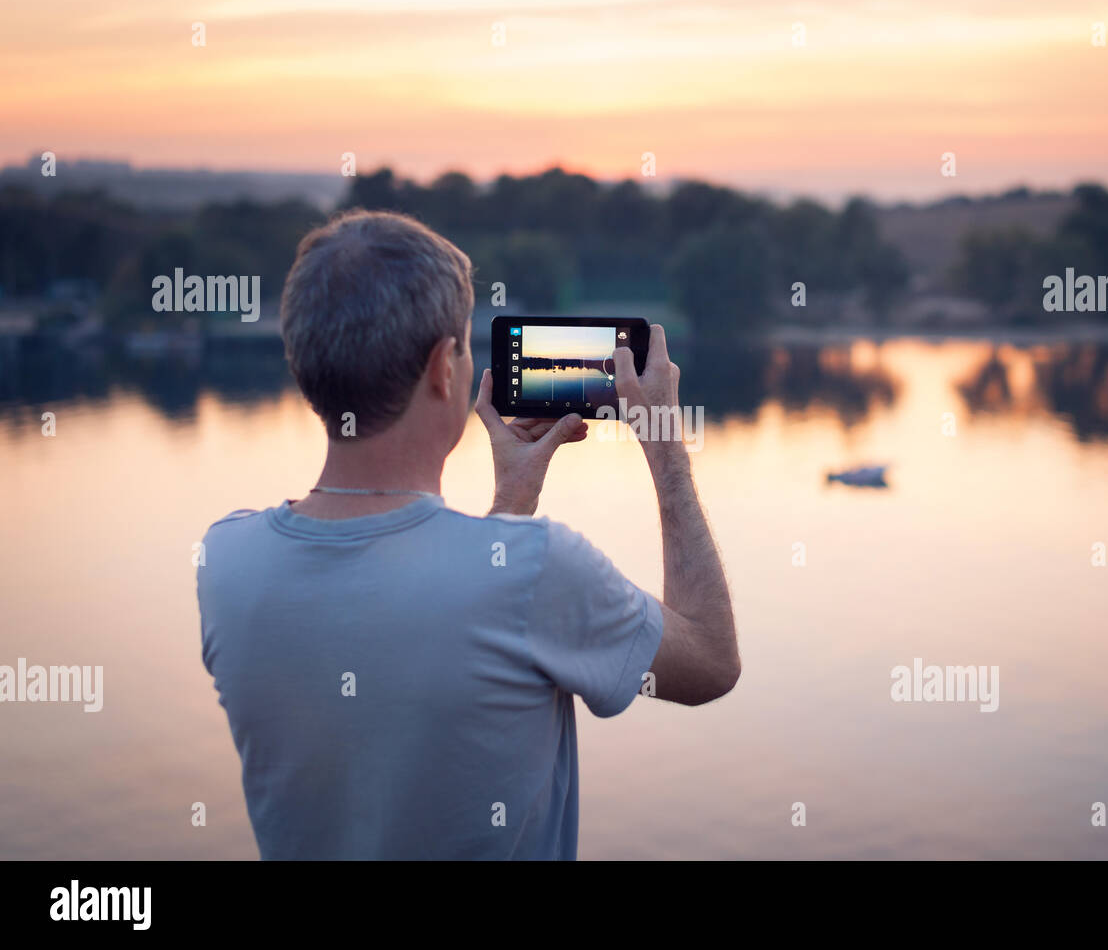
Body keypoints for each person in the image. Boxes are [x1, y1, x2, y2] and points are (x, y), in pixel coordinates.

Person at [197, 210, 739, 859]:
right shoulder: (540, 572)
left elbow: (428, 627)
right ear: (441, 368)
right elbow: (711, 660)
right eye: (463, 343)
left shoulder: (226, 562)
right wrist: (665, 448)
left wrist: (513, 500)